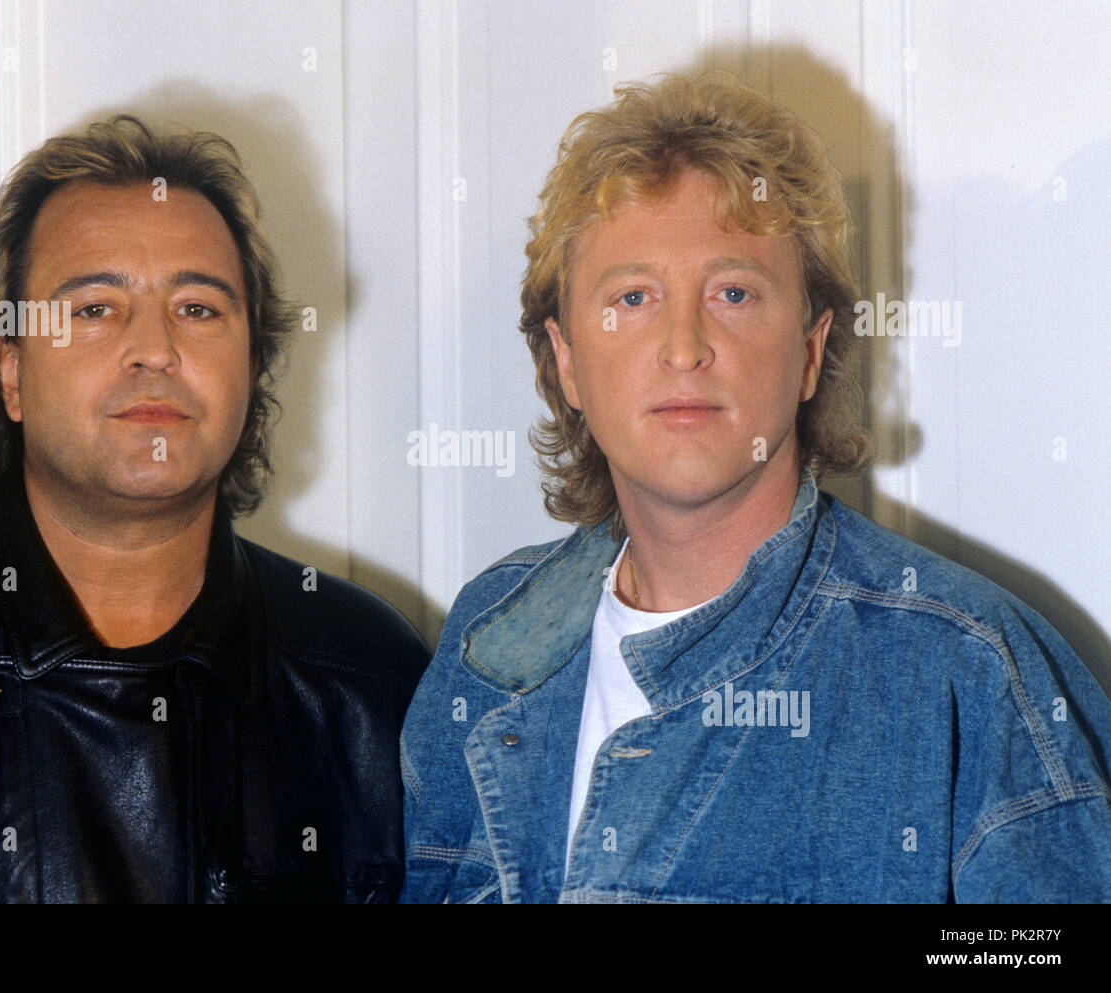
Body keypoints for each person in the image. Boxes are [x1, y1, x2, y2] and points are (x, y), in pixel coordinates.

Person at [399, 71, 1111, 903]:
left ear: (811, 352)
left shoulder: (972, 673)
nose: (683, 344)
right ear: (566, 361)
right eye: (633, 297)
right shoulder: (489, 642)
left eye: (733, 293)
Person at [0, 116, 428, 903]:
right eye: (95, 308)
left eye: (199, 308)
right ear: (9, 365)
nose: (155, 349)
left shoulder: (372, 687)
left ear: (251, 363)